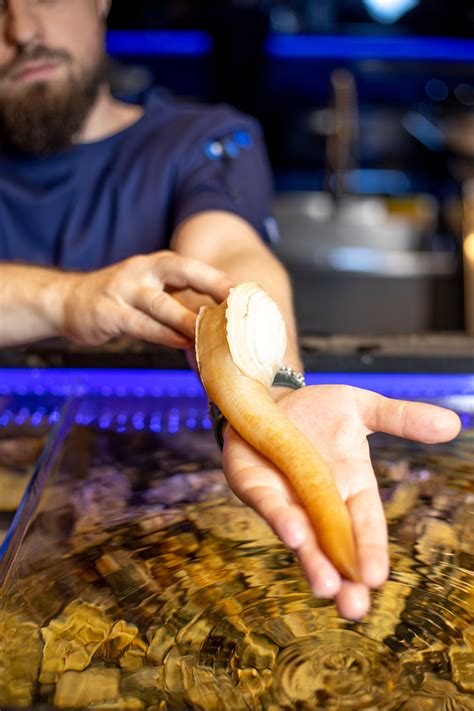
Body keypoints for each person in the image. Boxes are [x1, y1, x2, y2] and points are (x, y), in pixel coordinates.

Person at [0, 0, 461, 620]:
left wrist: (275, 390)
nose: (23, 30)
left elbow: (226, 260)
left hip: (149, 515)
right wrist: (67, 298)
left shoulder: (205, 139)